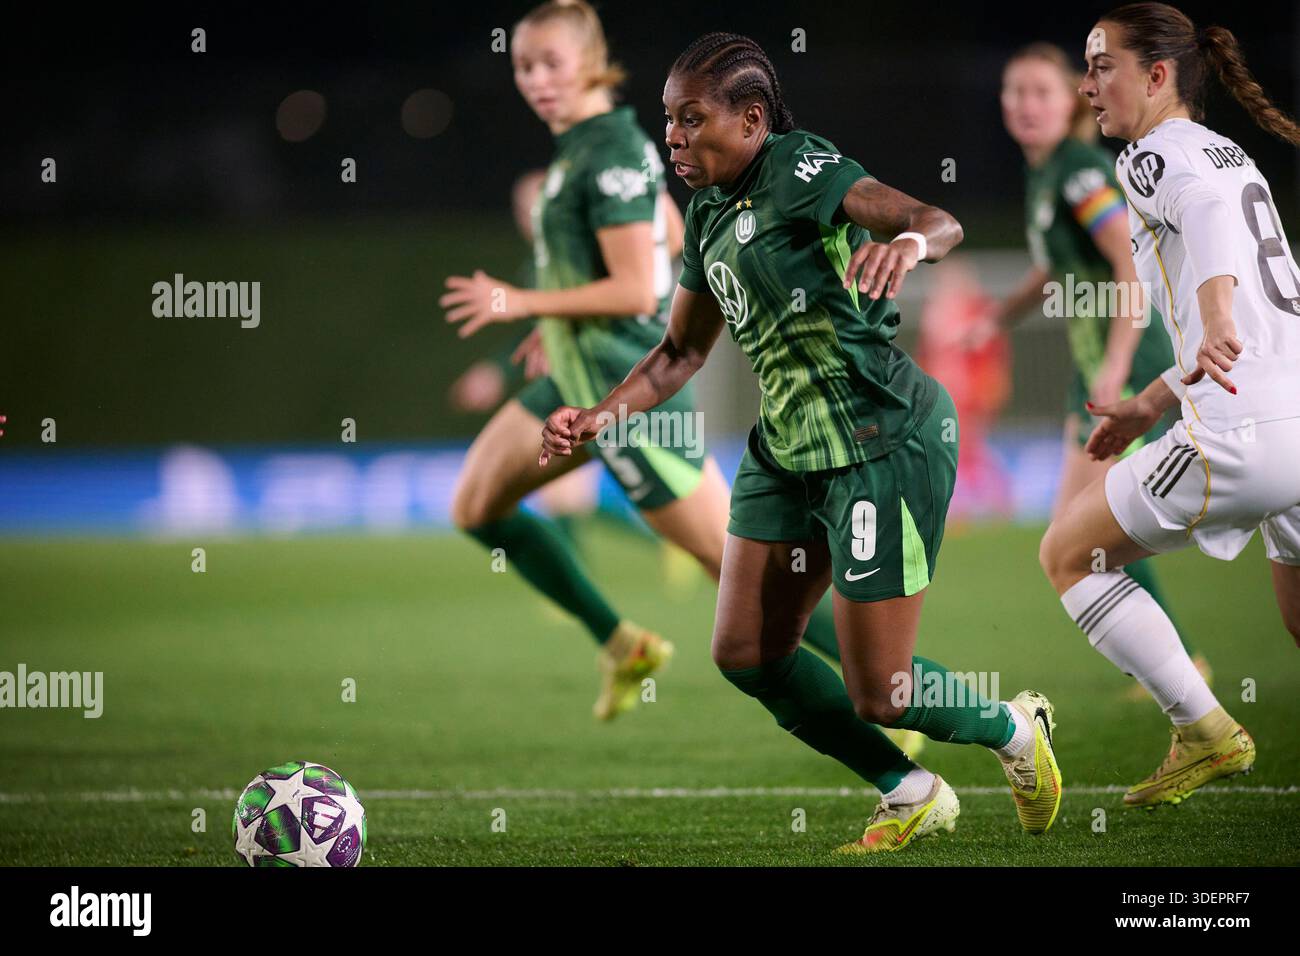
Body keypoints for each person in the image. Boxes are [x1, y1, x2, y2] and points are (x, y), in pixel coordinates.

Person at [541, 32, 1063, 852]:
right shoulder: (708, 211)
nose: (673, 138)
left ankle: (1013, 727)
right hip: (784, 456)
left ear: (752, 119)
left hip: (880, 441)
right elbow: (680, 352)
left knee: (881, 694)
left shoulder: (799, 167)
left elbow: (936, 219)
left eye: (690, 120)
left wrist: (909, 244)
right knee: (746, 653)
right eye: (667, 122)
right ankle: (910, 787)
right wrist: (599, 415)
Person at [440, 0, 863, 727]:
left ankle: (885, 688)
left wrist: (521, 300)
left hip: (631, 398)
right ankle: (622, 643)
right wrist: (559, 322)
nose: (536, 78)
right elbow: (665, 230)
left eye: (551, 62)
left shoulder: (606, 150)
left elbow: (638, 284)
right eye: (522, 66)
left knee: (741, 580)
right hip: (575, 382)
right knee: (476, 505)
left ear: (592, 61)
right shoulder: (584, 147)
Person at [1041, 1, 1300, 807]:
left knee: (1068, 554)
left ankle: (1203, 728)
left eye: (1100, 65)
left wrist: (1217, 312)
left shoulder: (1150, 156)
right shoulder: (1226, 152)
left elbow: (1212, 228)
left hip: (1243, 429)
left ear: (1157, 77)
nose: (1087, 86)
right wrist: (1152, 399)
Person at [988, 43, 1210, 699]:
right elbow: (1050, 266)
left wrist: (1115, 371)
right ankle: (1177, 660)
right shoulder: (1048, 172)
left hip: (1127, 366)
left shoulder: (1081, 171)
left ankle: (1180, 665)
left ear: (1071, 101)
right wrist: (996, 318)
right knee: (1080, 534)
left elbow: (1129, 264)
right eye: (1014, 91)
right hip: (1091, 373)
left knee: (1081, 535)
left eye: (1040, 92)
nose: (1025, 104)